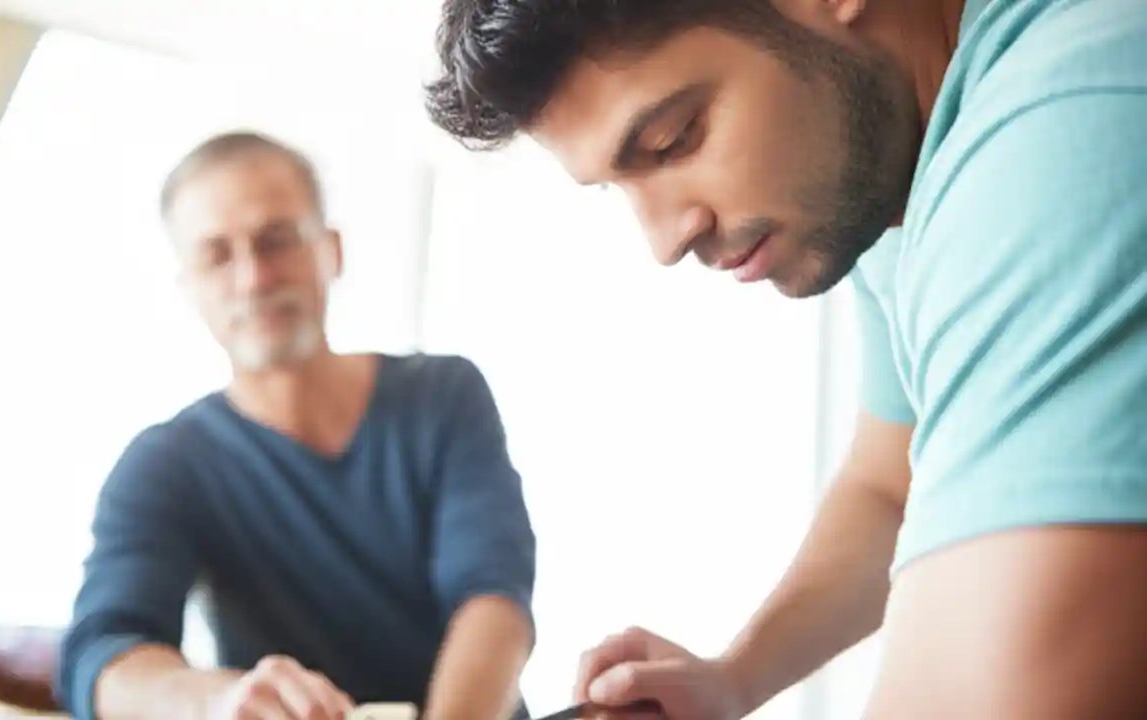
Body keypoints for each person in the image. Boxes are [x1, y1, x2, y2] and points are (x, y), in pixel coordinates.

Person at [424, 0, 1147, 717]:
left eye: (675, 139)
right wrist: (735, 677)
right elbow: (888, 485)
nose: (665, 241)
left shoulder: (1059, 123)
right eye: (619, 186)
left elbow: (994, 699)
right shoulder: (894, 177)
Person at [57, 132, 536, 720]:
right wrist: (218, 700)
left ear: (332, 251)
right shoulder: (165, 465)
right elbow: (104, 656)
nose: (253, 278)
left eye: (276, 240)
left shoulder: (443, 396)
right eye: (216, 255)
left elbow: (493, 599)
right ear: (189, 288)